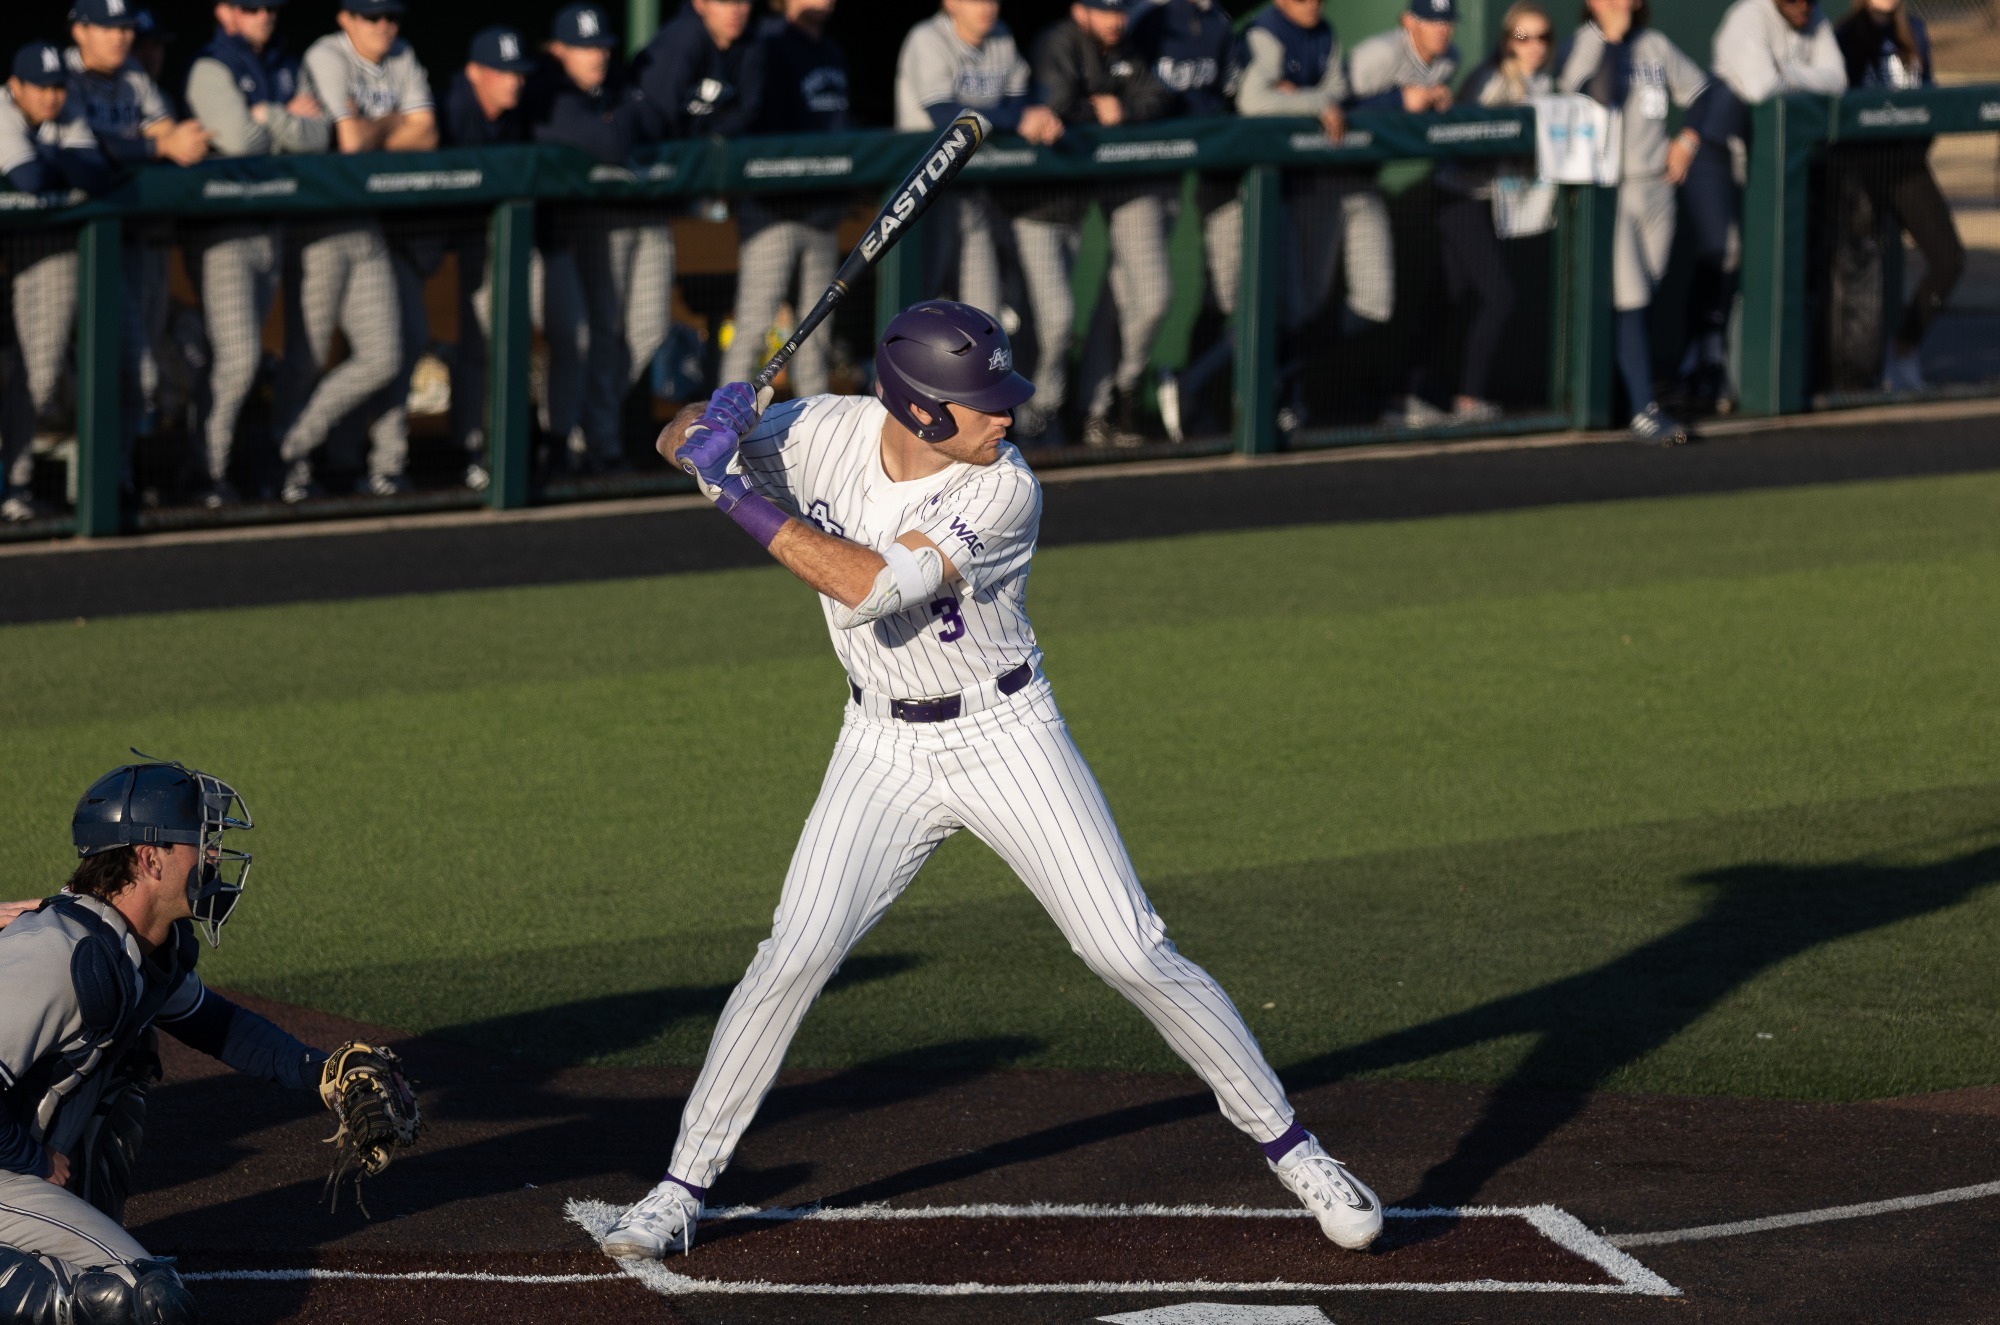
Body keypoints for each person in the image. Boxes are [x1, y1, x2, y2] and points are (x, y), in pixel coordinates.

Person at [594, 303, 1386, 1261]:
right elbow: (673, 436)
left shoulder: (1006, 489)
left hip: (1009, 736)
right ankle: (683, 1186)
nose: (1009, 416)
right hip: (878, 747)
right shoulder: (817, 431)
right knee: (793, 952)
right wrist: (703, 423)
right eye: (984, 403)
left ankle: (1295, 1147)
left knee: (1128, 950)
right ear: (922, 411)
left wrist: (728, 490)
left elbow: (872, 586)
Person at [0, 759, 340, 1324]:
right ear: (148, 858)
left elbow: (217, 1024)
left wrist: (322, 1071)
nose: (213, 858)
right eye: (201, 843)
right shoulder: (59, 955)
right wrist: (30, 1157)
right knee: (137, 1299)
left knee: (130, 1061)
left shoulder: (144, 952)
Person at [281, 0, 433, 501]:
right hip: (317, 226)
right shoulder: (326, 54)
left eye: (392, 16)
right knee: (306, 357)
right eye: (372, 17)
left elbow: (427, 135)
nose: (384, 26)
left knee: (386, 355)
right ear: (346, 18)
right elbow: (348, 141)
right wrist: (395, 123)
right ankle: (292, 469)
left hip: (366, 224)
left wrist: (376, 127)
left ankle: (296, 444)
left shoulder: (401, 53)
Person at [183, 0, 330, 509]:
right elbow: (240, 143)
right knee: (239, 358)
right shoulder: (211, 66)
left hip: (271, 230)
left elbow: (321, 137)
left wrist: (269, 116)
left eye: (270, 6)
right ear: (224, 11)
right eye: (250, 6)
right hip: (223, 231)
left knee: (249, 359)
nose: (264, 14)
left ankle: (228, 464)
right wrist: (288, 121)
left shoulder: (286, 64)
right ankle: (208, 472)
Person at [65, 0, 210, 485]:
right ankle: (81, 476)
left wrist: (159, 142)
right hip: (78, 252)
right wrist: (152, 146)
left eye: (126, 29)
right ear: (80, 30)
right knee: (99, 373)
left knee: (138, 377)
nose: (122, 39)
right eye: (110, 29)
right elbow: (79, 144)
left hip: (141, 244)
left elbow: (174, 134)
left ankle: (115, 476)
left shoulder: (134, 78)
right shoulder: (60, 74)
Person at [1016, 0, 1171, 449]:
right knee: (1048, 321)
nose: (1116, 20)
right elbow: (1053, 105)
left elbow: (1156, 95)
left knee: (1049, 323)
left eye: (1121, 10)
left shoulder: (1118, 48)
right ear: (1080, 8)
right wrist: (1093, 109)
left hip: (1072, 208)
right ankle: (1037, 419)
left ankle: (1046, 418)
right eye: (1106, 10)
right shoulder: (1059, 41)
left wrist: (1120, 107)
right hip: (1029, 204)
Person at [1557, 0, 1709, 444]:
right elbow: (1600, 97)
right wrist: (1613, 40)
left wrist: (1688, 139)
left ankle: (1630, 396)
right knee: (1631, 298)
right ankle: (1642, 409)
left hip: (1656, 185)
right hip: (1610, 189)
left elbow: (1700, 93)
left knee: (1648, 289)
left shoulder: (1656, 44)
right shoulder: (1582, 46)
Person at [1235, 0, 1387, 437]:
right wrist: (1313, 101)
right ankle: (1217, 389)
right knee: (1258, 304)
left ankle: (1283, 395)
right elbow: (1253, 101)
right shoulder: (1265, 30)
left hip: (1303, 188)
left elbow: (1338, 92)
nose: (1313, 2)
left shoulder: (1324, 32)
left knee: (1301, 306)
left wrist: (1301, 98)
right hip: (1251, 186)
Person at [1698, 0, 1849, 407]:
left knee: (1776, 265)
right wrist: (1800, 77)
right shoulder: (1747, 16)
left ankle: (1744, 376)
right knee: (1726, 255)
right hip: (1722, 153)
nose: (1803, 7)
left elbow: (1837, 80)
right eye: (1794, 0)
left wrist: (1787, 71)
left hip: (1773, 166)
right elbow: (1761, 87)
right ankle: (1706, 368)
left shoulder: (1814, 18)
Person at [534, 3, 658, 476]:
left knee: (640, 333)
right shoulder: (551, 91)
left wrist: (618, 119)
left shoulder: (614, 87)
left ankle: (589, 428)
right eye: (585, 48)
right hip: (546, 241)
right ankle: (567, 440)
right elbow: (611, 142)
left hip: (589, 230)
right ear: (559, 50)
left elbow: (651, 120)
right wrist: (618, 123)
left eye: (603, 47)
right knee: (585, 338)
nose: (598, 57)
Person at [893, 1, 1063, 329]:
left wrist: (1033, 116)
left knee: (983, 314)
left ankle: (979, 377)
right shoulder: (927, 38)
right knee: (917, 304)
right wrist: (1018, 120)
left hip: (972, 191)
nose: (986, 8)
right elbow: (943, 114)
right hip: (923, 194)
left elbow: (1018, 97)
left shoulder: (1000, 36)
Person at [0, 41, 111, 524]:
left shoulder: (66, 109)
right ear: (15, 86)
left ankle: (15, 484)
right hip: (15, 249)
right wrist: (57, 156)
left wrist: (51, 156)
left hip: (38, 251)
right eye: (41, 88)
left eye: (58, 87)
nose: (51, 98)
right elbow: (28, 177)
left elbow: (98, 173)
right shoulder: (2, 112)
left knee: (38, 375)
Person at [717, 0, 850, 399]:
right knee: (754, 327)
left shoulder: (832, 51)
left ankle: (817, 431)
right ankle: (718, 430)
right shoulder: (766, 44)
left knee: (817, 335)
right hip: (772, 211)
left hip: (822, 215)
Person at [1431, 0, 1552, 423]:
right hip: (1458, 196)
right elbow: (1462, 135)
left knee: (1450, 298)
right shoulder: (1490, 78)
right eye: (1524, 36)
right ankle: (1467, 399)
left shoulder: (1544, 83)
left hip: (1492, 203)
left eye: (1542, 37)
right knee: (1497, 296)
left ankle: (1415, 395)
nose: (1534, 45)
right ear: (1507, 41)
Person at [1834, 0, 1961, 392]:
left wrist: (1916, 147)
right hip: (1860, 169)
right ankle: (1851, 373)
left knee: (1949, 258)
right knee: (1858, 269)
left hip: (1906, 165)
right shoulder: (1842, 35)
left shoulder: (1915, 33)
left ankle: (1904, 351)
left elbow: (1929, 100)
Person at [1347, 0, 1461, 429]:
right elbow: (1329, 111)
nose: (1441, 29)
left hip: (1363, 183)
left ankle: (1354, 394)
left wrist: (1433, 102)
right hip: (1313, 182)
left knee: (1375, 303)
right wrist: (1397, 100)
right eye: (1431, 20)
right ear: (1407, 21)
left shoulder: (1451, 60)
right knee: (1299, 303)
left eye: (1447, 20)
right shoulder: (1379, 55)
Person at [1129, 0, 1238, 443]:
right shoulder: (1147, 19)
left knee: (1236, 300)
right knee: (1141, 297)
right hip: (1138, 173)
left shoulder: (1220, 23)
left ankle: (1189, 393)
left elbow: (1227, 98)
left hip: (1210, 172)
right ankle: (1107, 406)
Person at [441, 25, 535, 490]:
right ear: (475, 73)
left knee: (497, 344)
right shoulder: (455, 108)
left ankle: (490, 446)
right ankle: (468, 446)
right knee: (471, 346)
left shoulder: (517, 114)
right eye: (501, 72)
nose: (513, 81)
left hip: (487, 243)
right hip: (426, 241)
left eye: (516, 72)